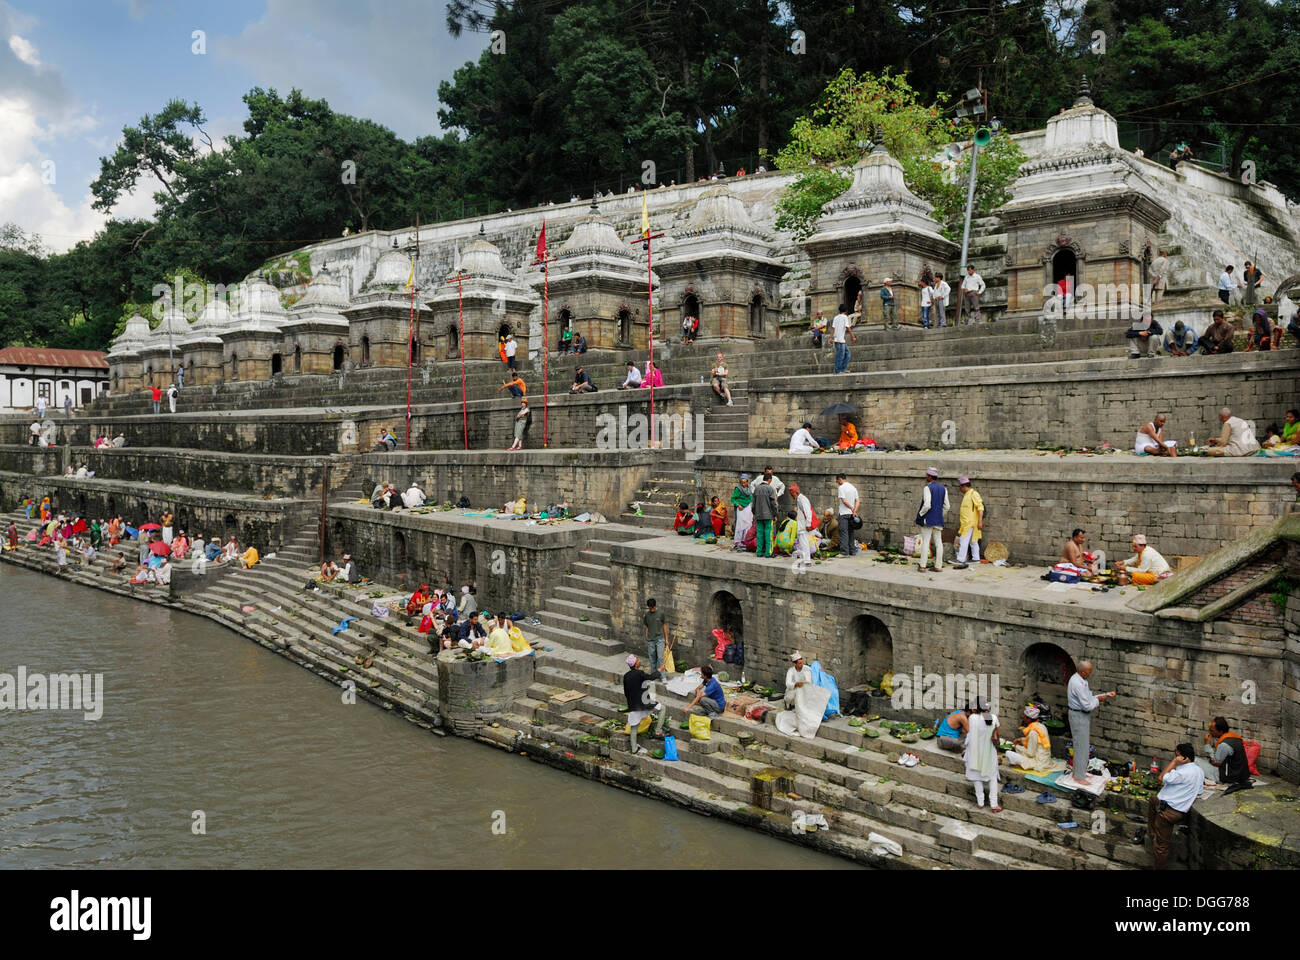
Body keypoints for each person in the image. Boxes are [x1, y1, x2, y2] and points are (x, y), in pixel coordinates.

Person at [1141, 744, 1204, 869]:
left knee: (1161, 848)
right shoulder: (1199, 770)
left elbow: (1161, 778)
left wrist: (1174, 763)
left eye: (1177, 755)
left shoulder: (1181, 773)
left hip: (1169, 812)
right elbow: (1199, 792)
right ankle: (1153, 833)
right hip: (1172, 807)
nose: (1175, 757)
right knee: (1153, 800)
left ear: (1183, 757)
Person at [1066, 660, 1116, 783]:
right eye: (1089, 671)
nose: (1090, 674)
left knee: (1082, 745)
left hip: (1081, 715)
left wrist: (1103, 695)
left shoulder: (1081, 680)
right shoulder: (1077, 683)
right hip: (1079, 715)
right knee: (1082, 746)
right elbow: (1087, 706)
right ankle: (1079, 777)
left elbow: (1088, 698)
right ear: (1083, 672)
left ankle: (1079, 772)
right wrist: (1099, 700)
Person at [623, 654, 665, 755]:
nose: (639, 660)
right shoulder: (639, 673)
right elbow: (650, 677)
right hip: (644, 703)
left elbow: (626, 693)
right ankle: (658, 731)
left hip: (633, 704)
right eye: (638, 660)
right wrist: (659, 670)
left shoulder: (626, 676)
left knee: (634, 727)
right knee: (662, 708)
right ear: (635, 664)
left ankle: (634, 749)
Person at [964, 697, 1001, 811]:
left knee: (976, 777)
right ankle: (994, 805)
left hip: (974, 751)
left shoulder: (972, 717)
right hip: (988, 752)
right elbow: (997, 736)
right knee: (992, 777)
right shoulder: (993, 718)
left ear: (976, 707)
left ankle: (980, 802)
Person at [1005, 705, 1062, 772]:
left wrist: (1016, 747)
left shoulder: (1033, 732)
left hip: (1038, 762)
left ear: (1028, 719)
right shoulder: (1042, 726)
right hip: (1045, 760)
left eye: (1024, 716)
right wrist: (1021, 740)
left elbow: (1030, 754)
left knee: (1008, 753)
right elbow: (1036, 741)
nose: (1023, 717)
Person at [1204, 716, 1253, 793]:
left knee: (1195, 761)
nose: (1210, 732)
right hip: (1241, 775)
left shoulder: (1224, 744)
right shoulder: (1233, 736)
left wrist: (1207, 744)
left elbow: (1215, 761)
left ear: (1220, 731)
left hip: (1229, 777)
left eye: (1212, 730)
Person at [915, 466, 949, 571]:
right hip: (938, 520)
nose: (926, 477)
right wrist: (940, 515)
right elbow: (947, 506)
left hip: (928, 519)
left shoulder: (927, 488)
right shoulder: (944, 489)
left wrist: (921, 514)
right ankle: (938, 566)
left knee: (926, 541)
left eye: (927, 475)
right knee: (938, 542)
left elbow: (927, 505)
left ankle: (923, 566)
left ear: (929, 476)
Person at [952, 476, 983, 568]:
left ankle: (960, 559)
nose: (960, 489)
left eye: (960, 487)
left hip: (970, 523)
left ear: (963, 486)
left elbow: (980, 508)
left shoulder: (973, 494)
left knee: (963, 540)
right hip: (967, 523)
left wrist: (980, 521)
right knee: (973, 541)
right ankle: (976, 558)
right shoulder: (967, 494)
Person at [783, 651, 816, 737]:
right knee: (790, 696)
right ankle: (790, 704)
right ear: (795, 664)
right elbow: (788, 683)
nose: (801, 664)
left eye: (802, 662)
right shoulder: (791, 671)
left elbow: (814, 675)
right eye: (799, 663)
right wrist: (796, 684)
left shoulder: (807, 669)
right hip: (794, 689)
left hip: (805, 689)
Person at [751, 471, 778, 558]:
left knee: (759, 534)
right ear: (769, 480)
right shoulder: (770, 489)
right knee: (768, 534)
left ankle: (759, 552)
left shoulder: (757, 489)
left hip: (758, 515)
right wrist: (775, 515)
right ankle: (768, 553)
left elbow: (753, 504)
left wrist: (755, 513)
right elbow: (774, 504)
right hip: (768, 515)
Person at [789, 482, 814, 572]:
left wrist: (808, 524)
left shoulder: (802, 499)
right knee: (803, 543)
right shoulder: (799, 499)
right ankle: (805, 559)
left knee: (804, 543)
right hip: (801, 525)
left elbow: (808, 512)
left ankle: (807, 561)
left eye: (792, 494)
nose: (792, 496)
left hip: (803, 525)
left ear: (795, 492)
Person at [835, 473, 860, 557]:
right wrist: (854, 510)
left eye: (837, 480)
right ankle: (852, 551)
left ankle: (844, 552)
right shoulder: (853, 488)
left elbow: (844, 501)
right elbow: (857, 500)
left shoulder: (841, 487)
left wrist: (852, 508)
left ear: (840, 479)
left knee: (843, 532)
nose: (837, 482)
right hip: (851, 515)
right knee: (851, 532)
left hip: (843, 513)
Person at [643, 598, 668, 671]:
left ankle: (663, 676)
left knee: (660, 658)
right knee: (652, 659)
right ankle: (653, 676)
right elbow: (647, 626)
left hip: (660, 639)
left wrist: (666, 639)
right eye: (650, 608)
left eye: (652, 608)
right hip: (650, 640)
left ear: (655, 606)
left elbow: (665, 625)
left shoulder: (661, 613)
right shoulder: (647, 615)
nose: (651, 609)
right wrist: (647, 637)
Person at [730, 473, 754, 550]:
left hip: (748, 507)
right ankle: (738, 541)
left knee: (748, 523)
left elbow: (750, 497)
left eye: (745, 482)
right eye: (742, 482)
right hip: (741, 508)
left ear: (747, 482)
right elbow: (733, 499)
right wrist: (738, 505)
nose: (743, 484)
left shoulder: (749, 488)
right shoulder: (738, 489)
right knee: (740, 524)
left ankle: (745, 539)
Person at [831, 304, 856, 374]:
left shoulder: (835, 317)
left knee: (847, 354)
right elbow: (848, 328)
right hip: (839, 340)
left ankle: (843, 368)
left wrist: (830, 338)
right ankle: (837, 370)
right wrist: (853, 337)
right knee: (840, 356)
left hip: (839, 340)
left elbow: (832, 328)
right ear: (846, 311)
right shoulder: (845, 317)